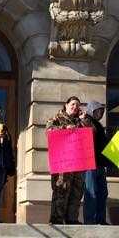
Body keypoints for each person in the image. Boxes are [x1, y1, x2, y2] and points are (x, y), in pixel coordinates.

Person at [47, 96, 87, 225]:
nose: (75, 107)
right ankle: (57, 219)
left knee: (76, 190)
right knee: (61, 190)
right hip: (62, 162)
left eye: (77, 105)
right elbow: (49, 132)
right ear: (66, 104)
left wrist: (84, 120)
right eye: (73, 104)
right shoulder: (56, 118)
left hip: (77, 162)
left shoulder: (80, 121)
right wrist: (64, 129)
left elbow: (90, 134)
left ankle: (72, 218)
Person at [82, 101, 109, 225]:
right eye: (98, 111)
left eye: (102, 112)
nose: (100, 113)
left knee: (102, 193)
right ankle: (89, 220)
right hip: (89, 164)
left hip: (100, 164)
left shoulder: (98, 125)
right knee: (91, 192)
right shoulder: (85, 122)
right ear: (91, 110)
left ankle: (101, 219)